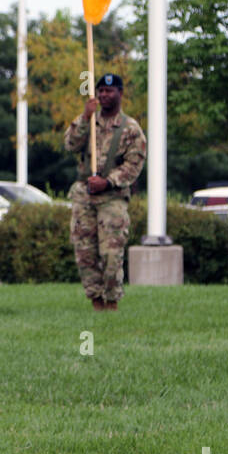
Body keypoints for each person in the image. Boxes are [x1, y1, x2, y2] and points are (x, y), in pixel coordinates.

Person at [64, 73, 147, 311]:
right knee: (85, 251)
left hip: (112, 197)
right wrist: (85, 116)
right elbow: (70, 144)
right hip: (84, 194)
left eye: (109, 91)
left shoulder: (130, 129)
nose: (104, 95)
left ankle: (112, 301)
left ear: (120, 93)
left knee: (111, 253)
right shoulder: (89, 122)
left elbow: (134, 164)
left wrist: (108, 182)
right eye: (100, 91)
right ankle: (96, 301)